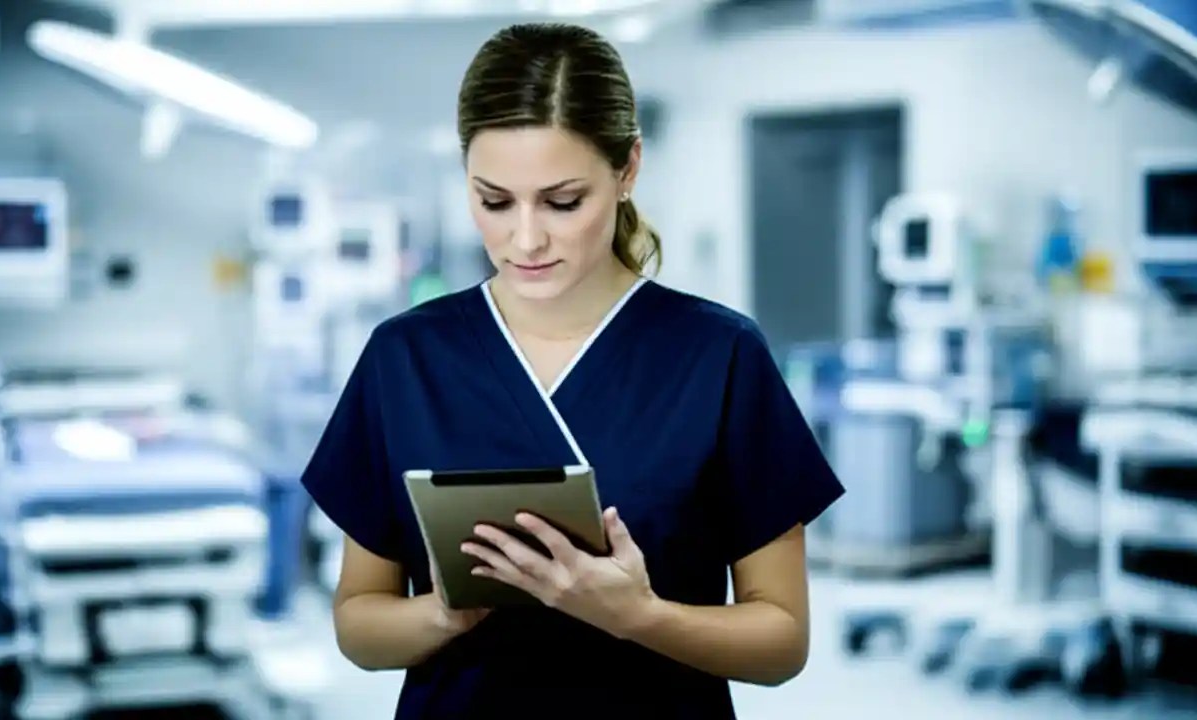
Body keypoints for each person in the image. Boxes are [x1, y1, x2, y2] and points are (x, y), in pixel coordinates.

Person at [300, 21, 845, 720]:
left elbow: (783, 641)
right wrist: (443, 615)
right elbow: (358, 624)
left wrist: (639, 615)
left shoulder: (718, 356)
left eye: (563, 202)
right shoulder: (406, 359)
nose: (524, 238)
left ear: (627, 171)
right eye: (493, 201)